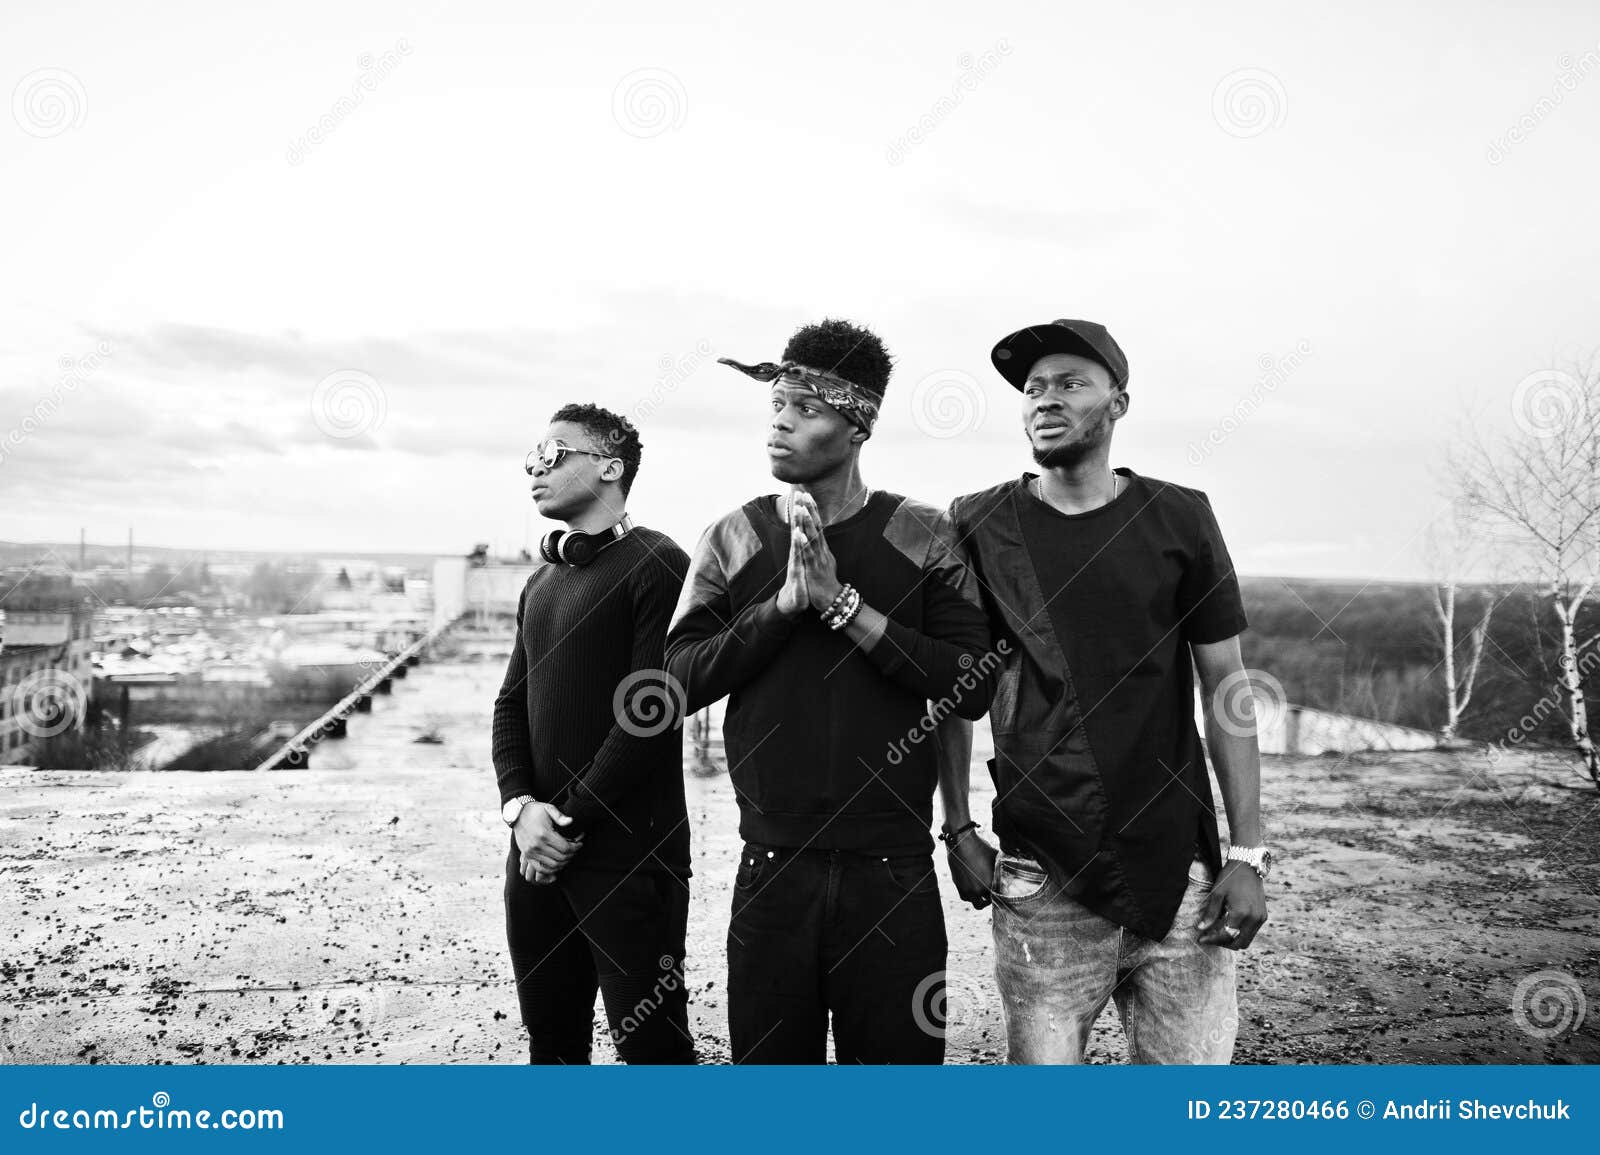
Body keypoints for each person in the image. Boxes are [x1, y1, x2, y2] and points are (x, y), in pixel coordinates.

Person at [936, 318, 1273, 1064]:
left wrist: (1248, 852)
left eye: (1069, 382)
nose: (1044, 399)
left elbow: (1228, 689)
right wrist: (957, 827)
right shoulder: (979, 522)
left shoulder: (1181, 516)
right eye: (1032, 388)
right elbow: (955, 688)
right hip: (1042, 876)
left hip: (1180, 875)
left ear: (1118, 403)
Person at [663, 318, 996, 1063]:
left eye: (803, 409)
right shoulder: (738, 535)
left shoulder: (921, 531)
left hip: (894, 874)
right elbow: (677, 681)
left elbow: (972, 685)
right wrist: (782, 609)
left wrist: (846, 607)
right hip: (771, 871)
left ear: (856, 426)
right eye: (775, 406)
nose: (779, 423)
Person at [492, 402, 696, 1064]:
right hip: (535, 856)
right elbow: (509, 705)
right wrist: (521, 809)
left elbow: (650, 715)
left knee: (654, 1049)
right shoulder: (541, 581)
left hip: (631, 858)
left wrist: (564, 823)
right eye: (532, 458)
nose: (535, 469)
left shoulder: (657, 563)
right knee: (552, 1043)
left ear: (609, 466)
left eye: (552, 454)